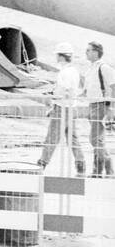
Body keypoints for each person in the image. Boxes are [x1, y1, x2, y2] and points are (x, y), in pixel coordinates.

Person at [39, 42, 86, 174]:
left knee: (52, 137)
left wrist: (54, 97)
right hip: (72, 107)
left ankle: (42, 163)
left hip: (62, 108)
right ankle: (80, 163)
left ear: (61, 56)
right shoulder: (74, 71)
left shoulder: (64, 72)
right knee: (72, 138)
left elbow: (67, 90)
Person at [83, 42, 114, 178]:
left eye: (89, 50)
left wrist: (111, 107)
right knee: (98, 139)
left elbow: (113, 87)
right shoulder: (91, 69)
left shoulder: (104, 67)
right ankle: (101, 169)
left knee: (95, 138)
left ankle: (105, 166)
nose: (86, 52)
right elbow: (87, 89)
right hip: (92, 105)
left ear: (96, 52)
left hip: (101, 105)